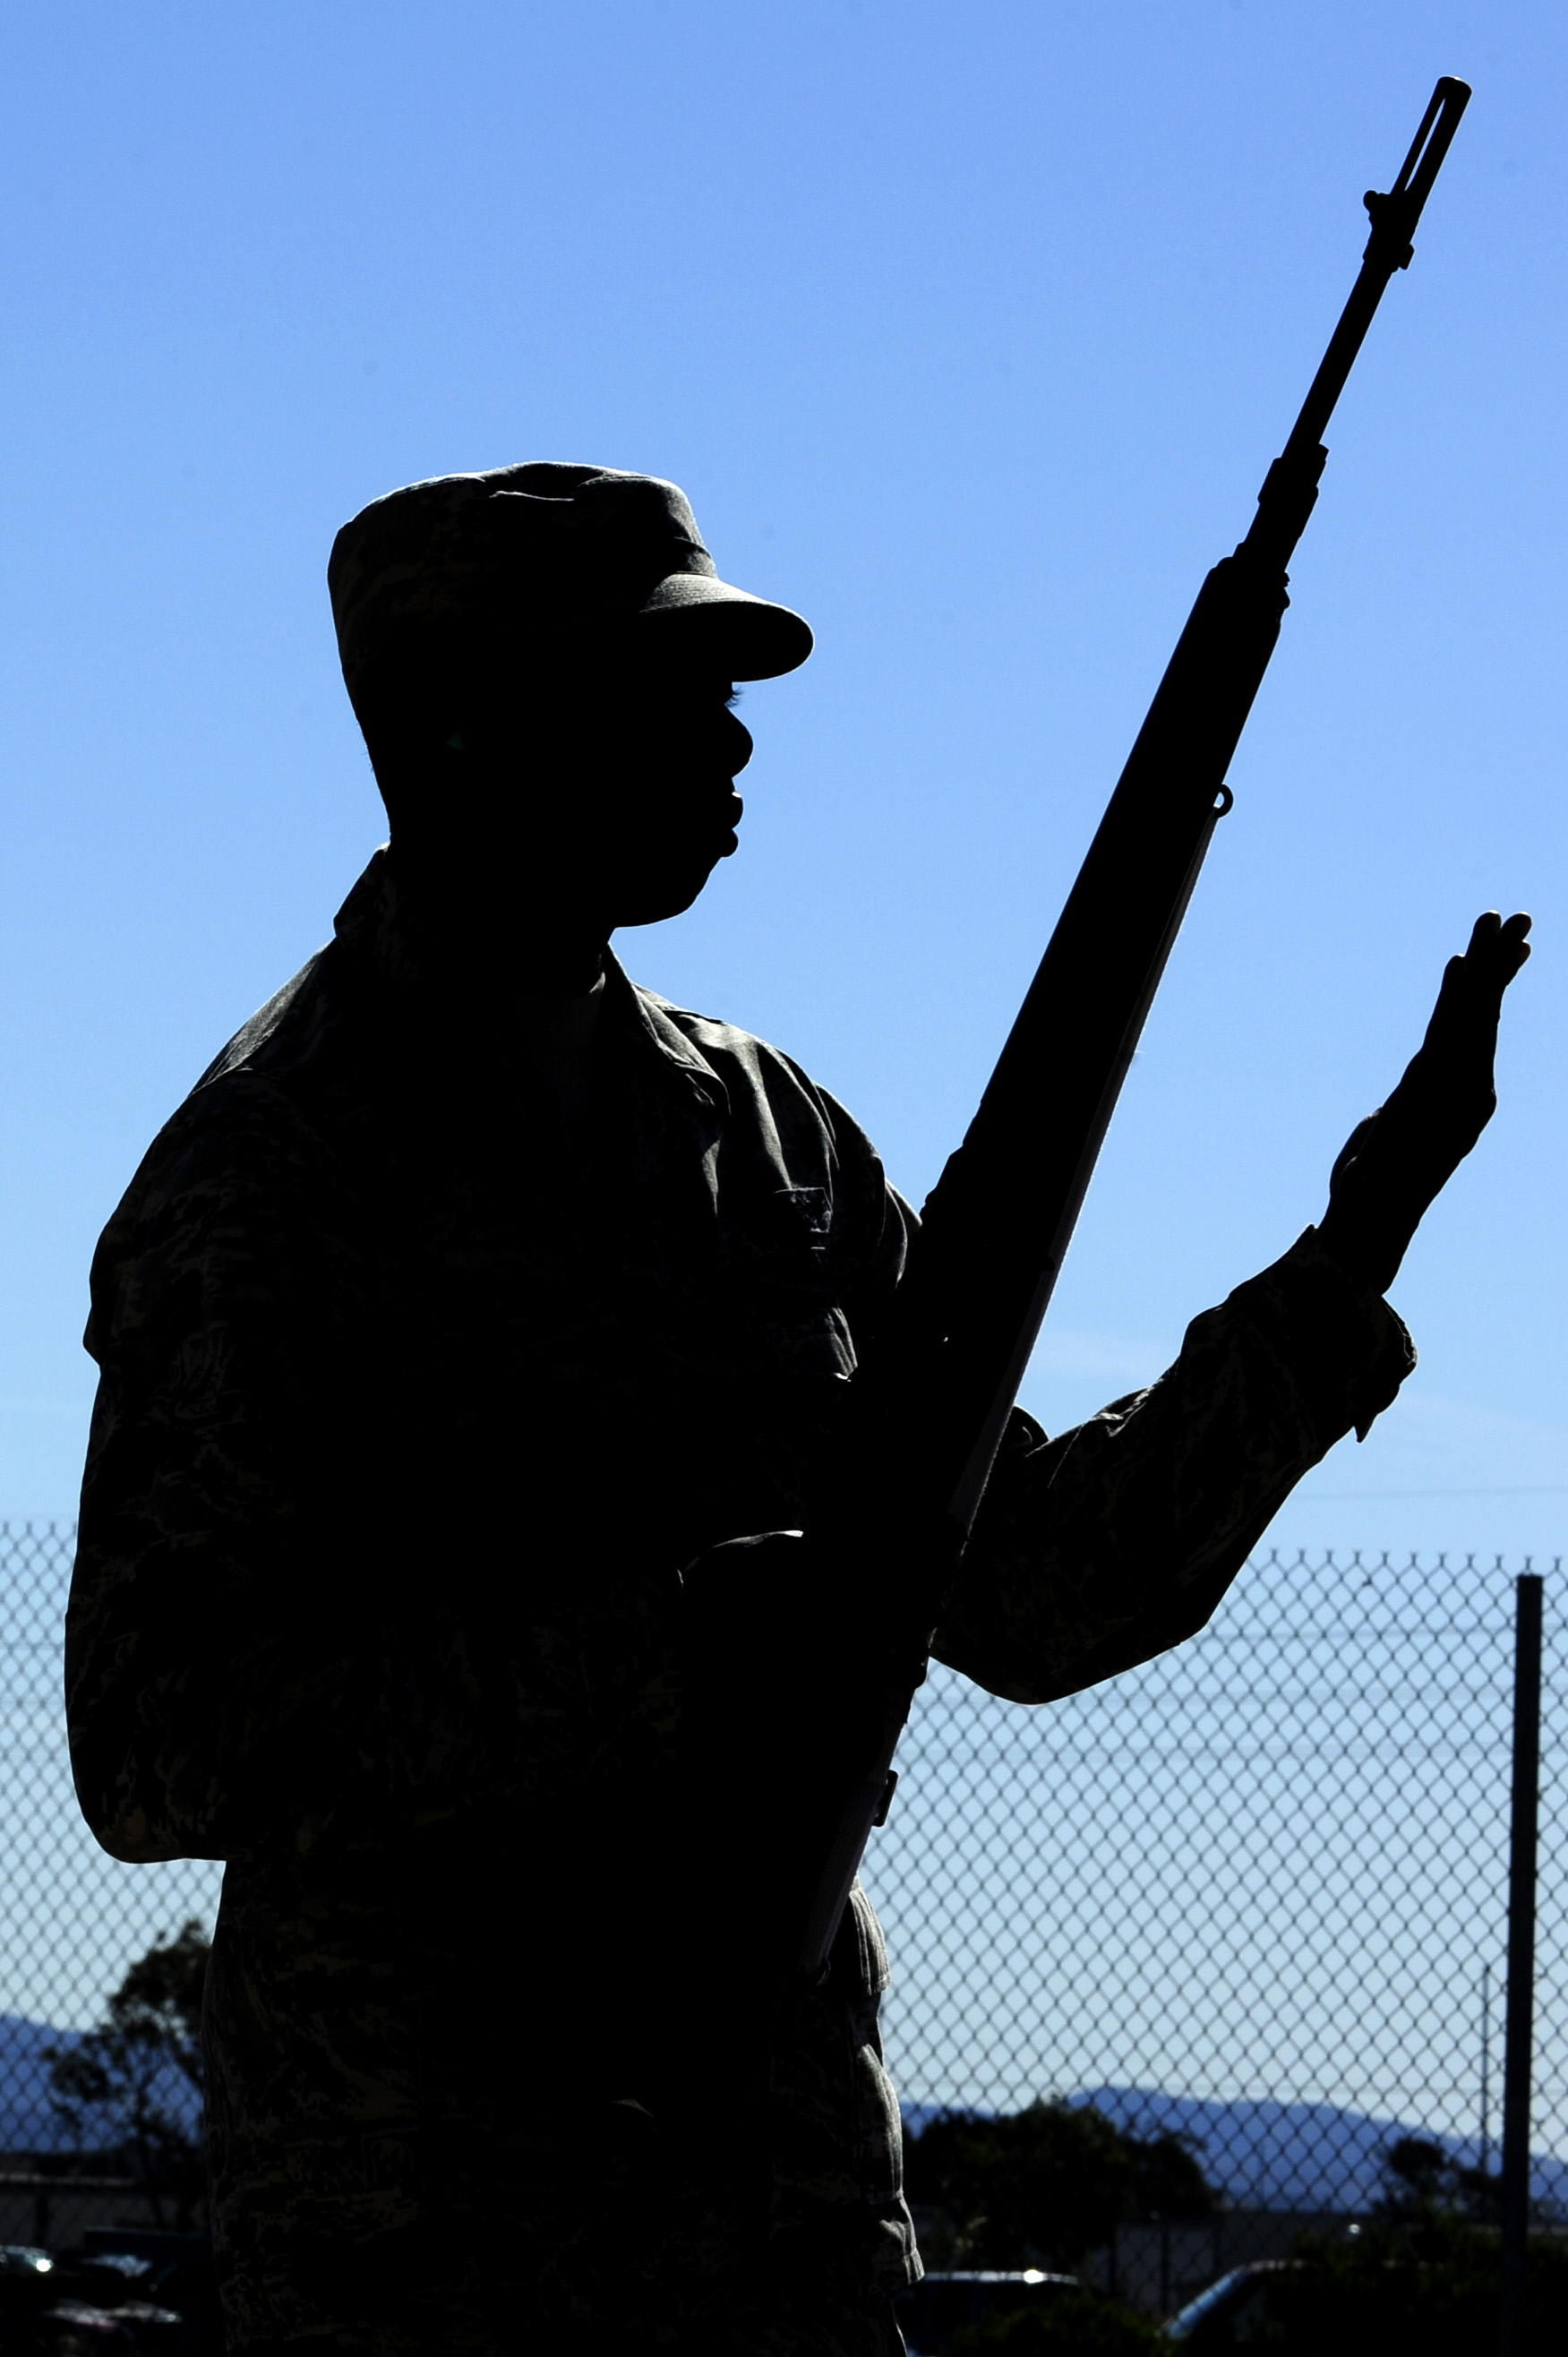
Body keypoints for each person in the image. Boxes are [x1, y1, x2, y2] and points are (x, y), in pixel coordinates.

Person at [64, 462, 1529, 2355]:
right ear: (466, 728)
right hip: (434, 2252)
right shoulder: (269, 1179)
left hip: (781, 2235)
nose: (734, 736)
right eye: (660, 686)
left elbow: (1029, 1584)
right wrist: (659, 1648)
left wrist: (1352, 1257)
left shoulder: (768, 1141)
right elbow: (154, 1738)